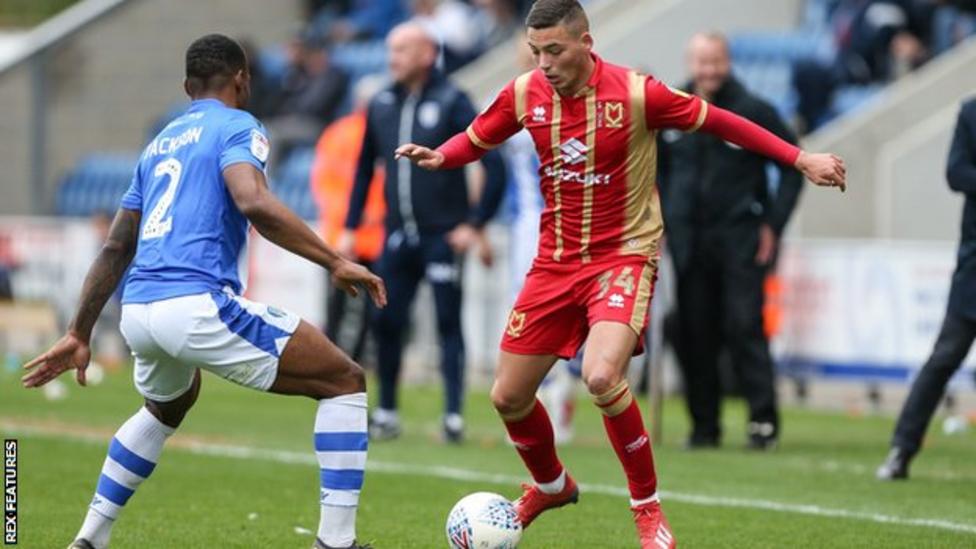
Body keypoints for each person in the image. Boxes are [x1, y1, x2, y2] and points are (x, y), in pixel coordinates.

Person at [395, 1, 846, 546]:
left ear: (586, 42)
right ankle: (551, 484)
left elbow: (721, 121)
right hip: (554, 263)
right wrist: (442, 157)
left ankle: (647, 509)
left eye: (555, 51)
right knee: (507, 397)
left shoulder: (637, 93)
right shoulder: (524, 93)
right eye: (536, 53)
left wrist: (798, 158)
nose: (544, 64)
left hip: (623, 257)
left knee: (603, 376)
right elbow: (479, 135)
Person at [21, 34, 385, 549]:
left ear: (187, 86)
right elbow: (252, 201)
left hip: (140, 310)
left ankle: (88, 539)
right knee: (344, 380)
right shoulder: (238, 125)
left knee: (166, 407)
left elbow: (116, 243)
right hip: (195, 304)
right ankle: (336, 543)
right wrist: (336, 260)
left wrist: (79, 330)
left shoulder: (160, 142)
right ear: (242, 80)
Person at [342, 22, 507, 444]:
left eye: (401, 50)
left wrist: (474, 225)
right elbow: (363, 169)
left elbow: (494, 165)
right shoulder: (380, 102)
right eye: (391, 49)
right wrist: (350, 227)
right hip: (397, 235)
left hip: (443, 235)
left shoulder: (452, 100)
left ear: (426, 54)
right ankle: (387, 411)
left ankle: (452, 415)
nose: (392, 58)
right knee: (387, 322)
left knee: (449, 322)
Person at [658, 32, 804, 451]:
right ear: (691, 62)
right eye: (701, 62)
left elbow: (793, 164)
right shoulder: (672, 108)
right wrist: (662, 218)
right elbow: (655, 170)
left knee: (744, 326)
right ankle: (705, 426)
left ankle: (763, 422)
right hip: (688, 241)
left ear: (727, 61)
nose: (709, 71)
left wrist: (772, 225)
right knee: (694, 332)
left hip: (740, 236)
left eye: (716, 61)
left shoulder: (754, 109)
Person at [877, 96, 976, 480]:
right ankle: (902, 448)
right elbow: (956, 173)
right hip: (974, 266)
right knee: (945, 357)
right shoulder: (970, 112)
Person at [311, 76, 388, 363]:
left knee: (347, 306)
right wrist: (357, 220)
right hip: (353, 237)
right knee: (347, 307)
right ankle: (339, 360)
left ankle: (338, 360)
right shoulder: (345, 134)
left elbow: (324, 184)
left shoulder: (339, 133)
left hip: (352, 238)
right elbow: (326, 183)